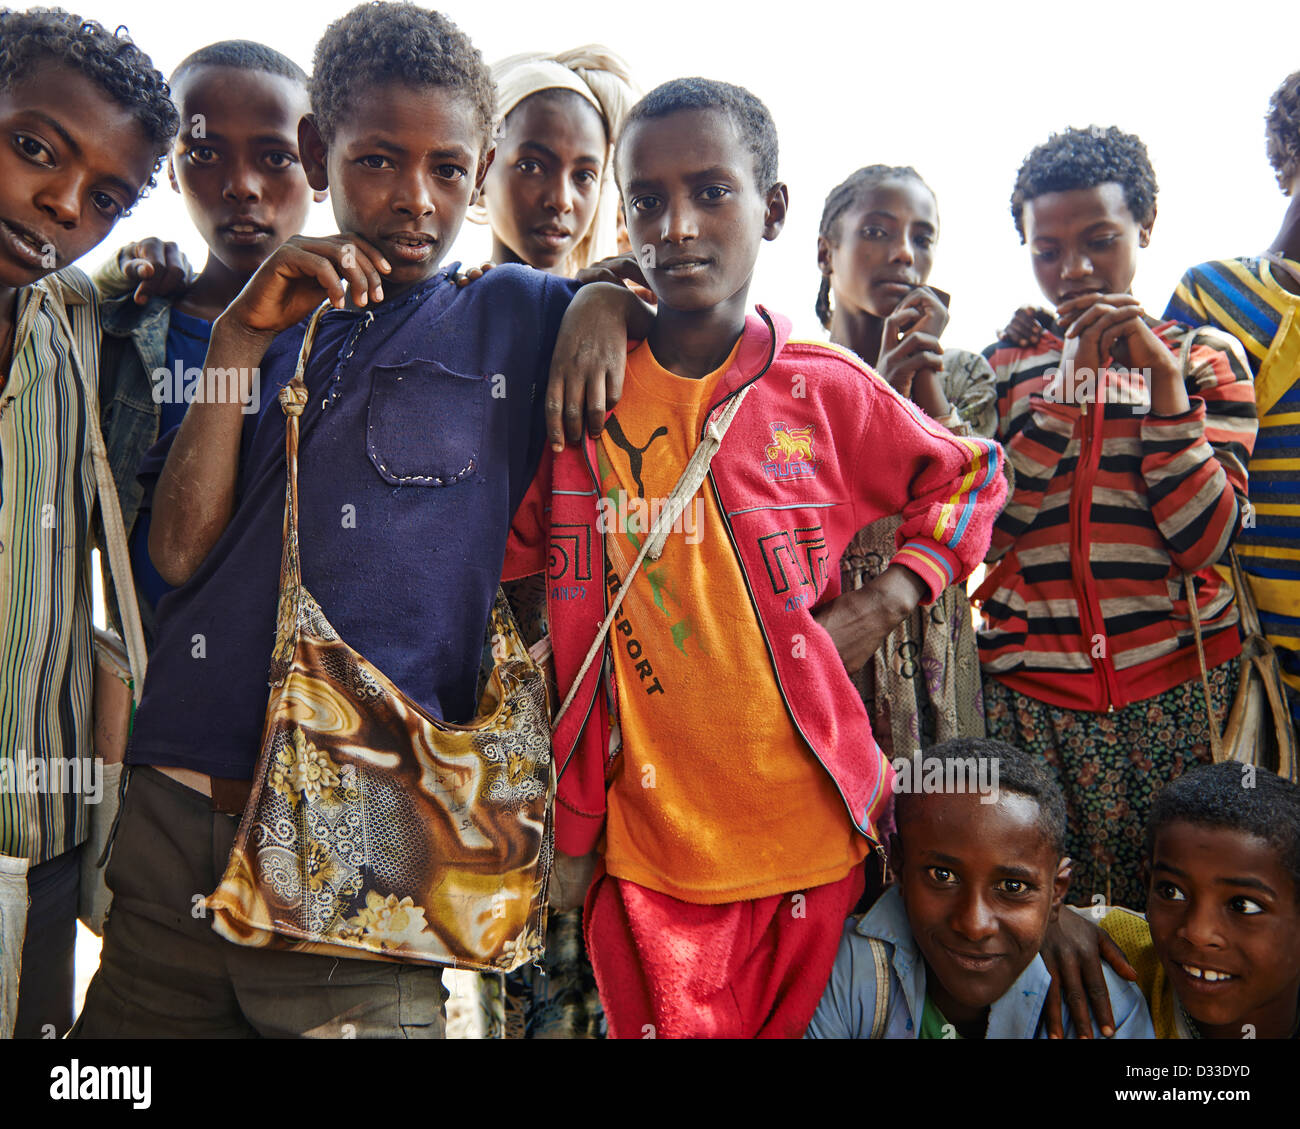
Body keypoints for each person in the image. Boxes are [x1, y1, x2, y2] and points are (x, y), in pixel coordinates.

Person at [71, 1, 648, 1039]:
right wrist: (243, 343)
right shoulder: (263, 322)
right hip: (174, 824)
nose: (414, 202)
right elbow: (176, 549)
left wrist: (609, 295)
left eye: (446, 171)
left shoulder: (512, 316)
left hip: (366, 847)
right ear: (318, 154)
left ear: (478, 180)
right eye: (380, 162)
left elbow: (677, 313)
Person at [505, 77, 1007, 1038]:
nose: (677, 225)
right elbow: (511, 549)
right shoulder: (587, 390)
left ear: (773, 209)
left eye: (712, 192)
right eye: (646, 200)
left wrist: (891, 596)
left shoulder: (822, 391)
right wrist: (591, 299)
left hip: (812, 848)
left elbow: (972, 477)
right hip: (646, 857)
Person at [978, 125, 1259, 912]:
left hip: (1184, 697)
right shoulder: (1003, 368)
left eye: (1100, 240)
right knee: (1059, 935)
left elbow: (1205, 539)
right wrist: (1063, 396)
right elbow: (992, 530)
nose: (1072, 269)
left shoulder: (1203, 359)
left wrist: (1166, 395)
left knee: (1185, 927)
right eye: (1047, 248)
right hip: (1036, 708)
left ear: (1146, 227)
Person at [0, 6, 176, 1038]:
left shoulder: (75, 321)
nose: (63, 204)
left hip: (39, 841)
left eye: (104, 196)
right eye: (32, 149)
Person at [467, 46, 637, 1040]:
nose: (557, 196)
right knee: (514, 993)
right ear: (484, 161)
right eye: (532, 163)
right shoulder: (439, 310)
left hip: (613, 710)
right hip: (486, 723)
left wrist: (608, 300)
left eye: (583, 174)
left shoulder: (632, 312)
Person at [96, 40, 322, 648]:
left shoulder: (360, 329)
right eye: (204, 153)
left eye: (276, 157)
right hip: (159, 689)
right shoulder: (127, 329)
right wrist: (119, 268)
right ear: (168, 169)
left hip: (315, 697)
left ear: (319, 165)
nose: (241, 186)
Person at [816, 165, 997, 762]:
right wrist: (880, 394)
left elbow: (981, 499)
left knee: (940, 824)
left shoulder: (964, 373)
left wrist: (925, 384)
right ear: (826, 252)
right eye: (876, 231)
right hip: (833, 640)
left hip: (935, 649)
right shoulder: (793, 371)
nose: (902, 253)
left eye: (922, 238)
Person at [805, 738, 1152, 1038]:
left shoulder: (1107, 1004)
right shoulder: (842, 974)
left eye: (1012, 886)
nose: (973, 924)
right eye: (942, 876)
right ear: (898, 864)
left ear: (1057, 891)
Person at [474, 46, 636, 278]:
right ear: (481, 169)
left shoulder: (619, 309)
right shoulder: (435, 307)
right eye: (531, 167)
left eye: (584, 176)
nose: (561, 201)